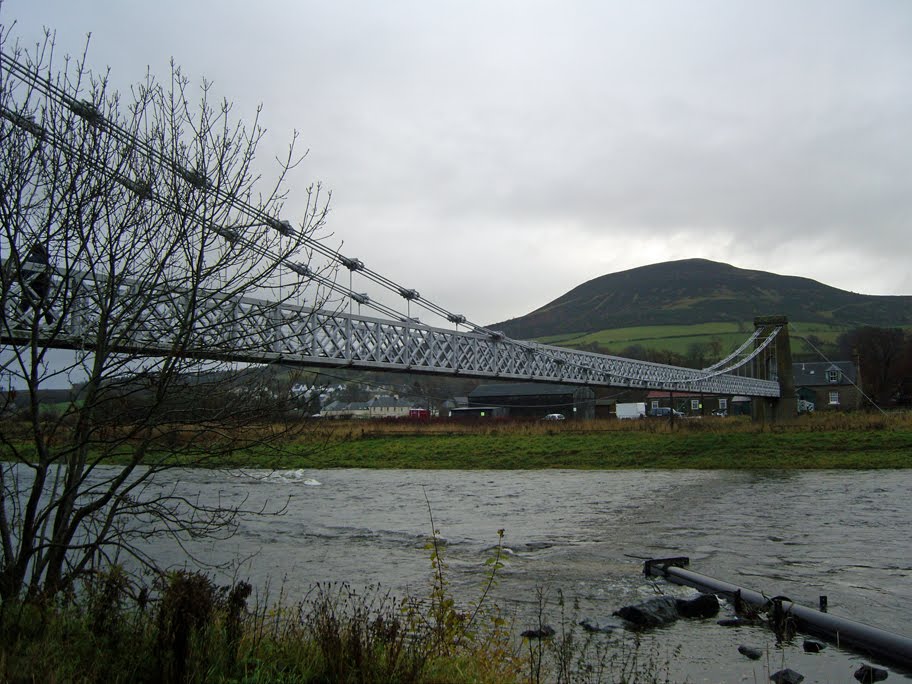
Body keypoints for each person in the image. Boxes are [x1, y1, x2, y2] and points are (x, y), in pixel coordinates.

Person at [18, 243, 54, 324]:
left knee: (25, 304)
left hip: (31, 284)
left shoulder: (31, 259)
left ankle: (19, 322)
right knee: (45, 305)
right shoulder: (44, 260)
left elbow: (24, 272)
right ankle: (51, 324)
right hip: (42, 284)